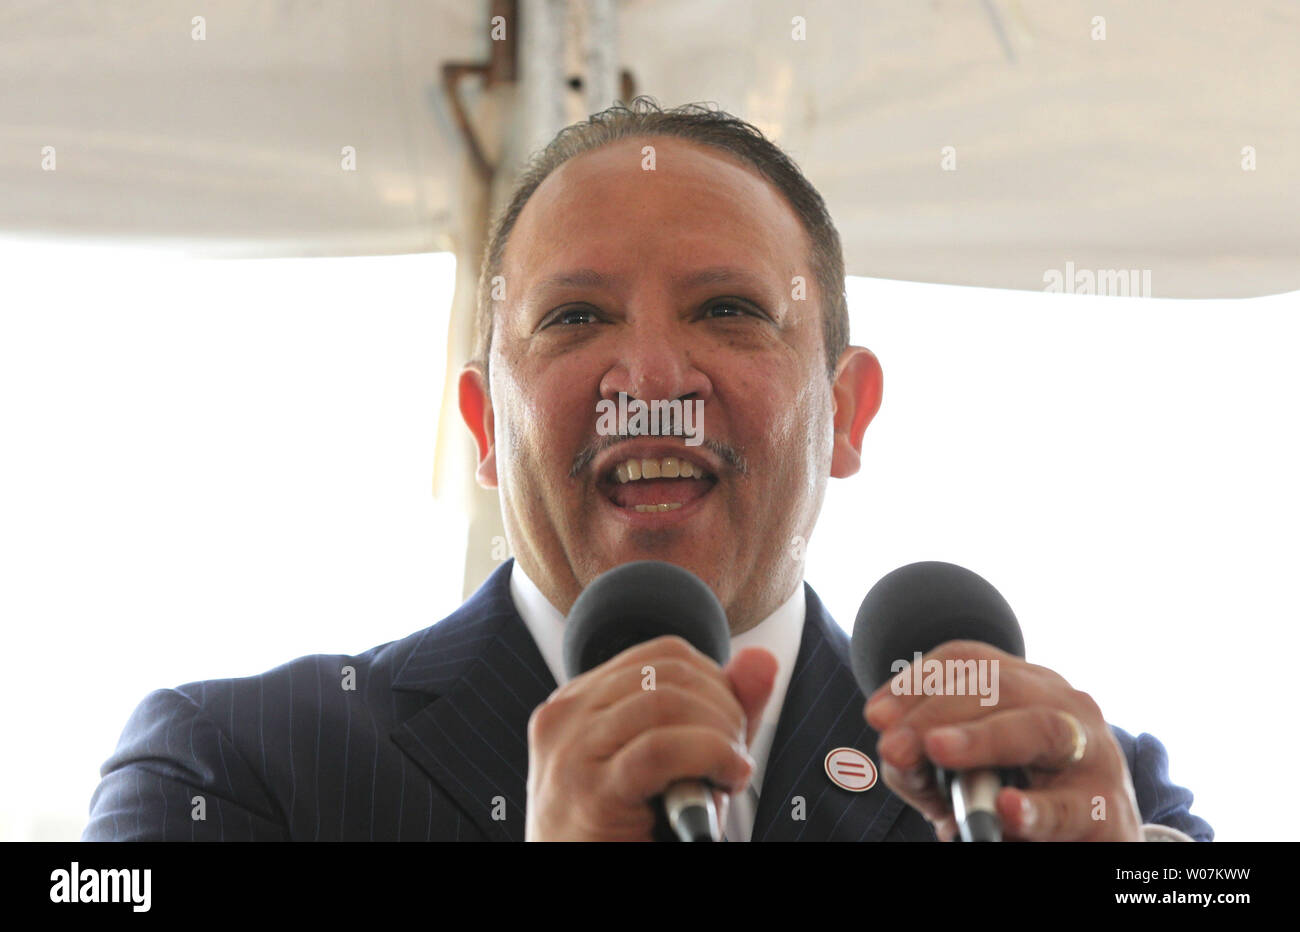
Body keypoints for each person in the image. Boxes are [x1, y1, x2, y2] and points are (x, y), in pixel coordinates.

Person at [83, 99, 1211, 842]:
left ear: (847, 411)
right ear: (484, 421)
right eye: (574, 316)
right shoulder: (231, 767)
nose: (654, 377)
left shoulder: (1081, 788)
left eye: (727, 309)